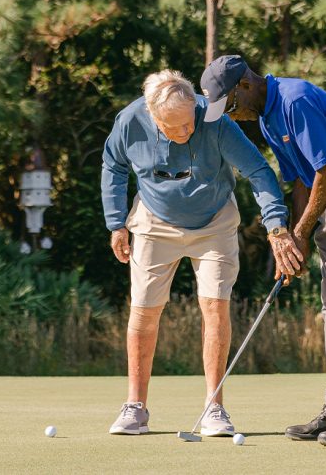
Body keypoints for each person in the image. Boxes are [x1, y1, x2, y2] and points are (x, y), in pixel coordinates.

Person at [199, 56, 326, 447]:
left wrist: (302, 231)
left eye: (231, 106)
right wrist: (292, 240)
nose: (232, 118)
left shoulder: (294, 100)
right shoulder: (269, 119)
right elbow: (304, 181)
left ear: (246, 85)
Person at [101, 69, 304, 437]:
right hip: (153, 220)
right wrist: (116, 223)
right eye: (173, 127)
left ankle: (215, 408)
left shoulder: (213, 121)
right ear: (152, 116)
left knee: (215, 306)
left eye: (188, 123)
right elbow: (113, 165)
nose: (185, 132)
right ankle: (135, 407)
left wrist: (276, 226)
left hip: (213, 220)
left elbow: (258, 170)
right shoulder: (130, 121)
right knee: (144, 311)